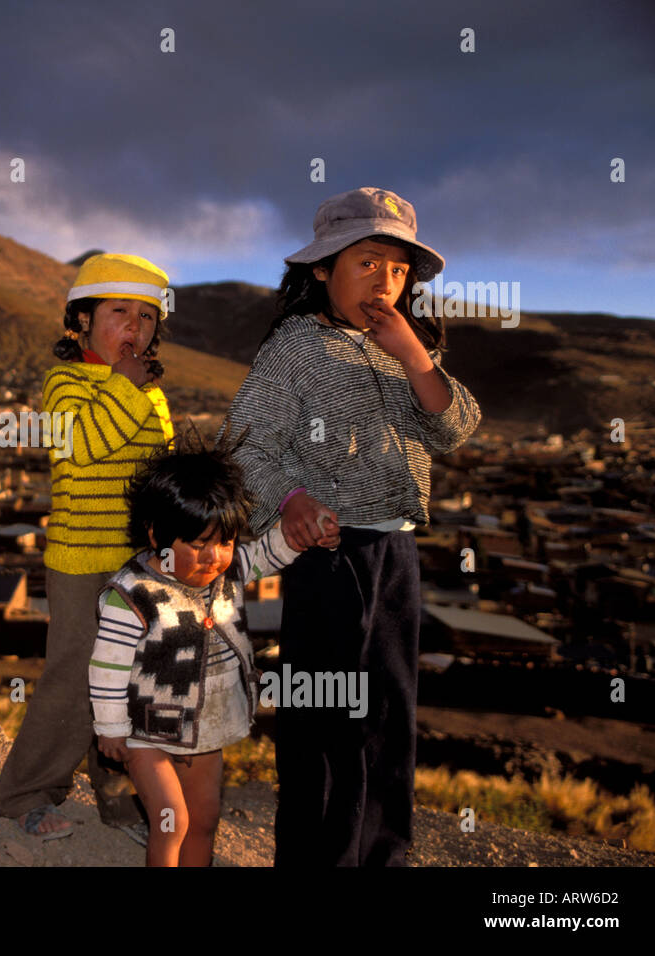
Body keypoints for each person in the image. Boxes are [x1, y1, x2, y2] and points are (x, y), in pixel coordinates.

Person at [218, 186, 482, 866]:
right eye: (368, 263)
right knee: (327, 717)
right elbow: (245, 444)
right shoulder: (295, 349)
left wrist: (416, 356)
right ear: (321, 270)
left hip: (395, 552)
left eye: (398, 269)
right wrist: (292, 499)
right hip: (330, 554)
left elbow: (455, 428)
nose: (385, 282)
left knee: (390, 717)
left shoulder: (406, 349)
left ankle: (379, 857)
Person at [0, 253, 173, 843]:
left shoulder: (152, 394)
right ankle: (27, 794)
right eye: (119, 312)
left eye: (146, 318)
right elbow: (81, 445)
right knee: (75, 678)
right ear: (82, 321)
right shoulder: (64, 383)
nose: (134, 328)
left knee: (127, 683)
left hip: (136, 565)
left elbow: (159, 473)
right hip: (79, 561)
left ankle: (121, 803)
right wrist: (126, 385)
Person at [88, 435, 314, 865]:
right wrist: (110, 728)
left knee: (205, 817)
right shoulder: (133, 595)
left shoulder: (225, 574)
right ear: (157, 535)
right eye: (198, 545)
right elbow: (107, 667)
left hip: (207, 726)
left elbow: (267, 552)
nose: (214, 558)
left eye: (226, 542)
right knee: (171, 818)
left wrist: (298, 534)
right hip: (146, 730)